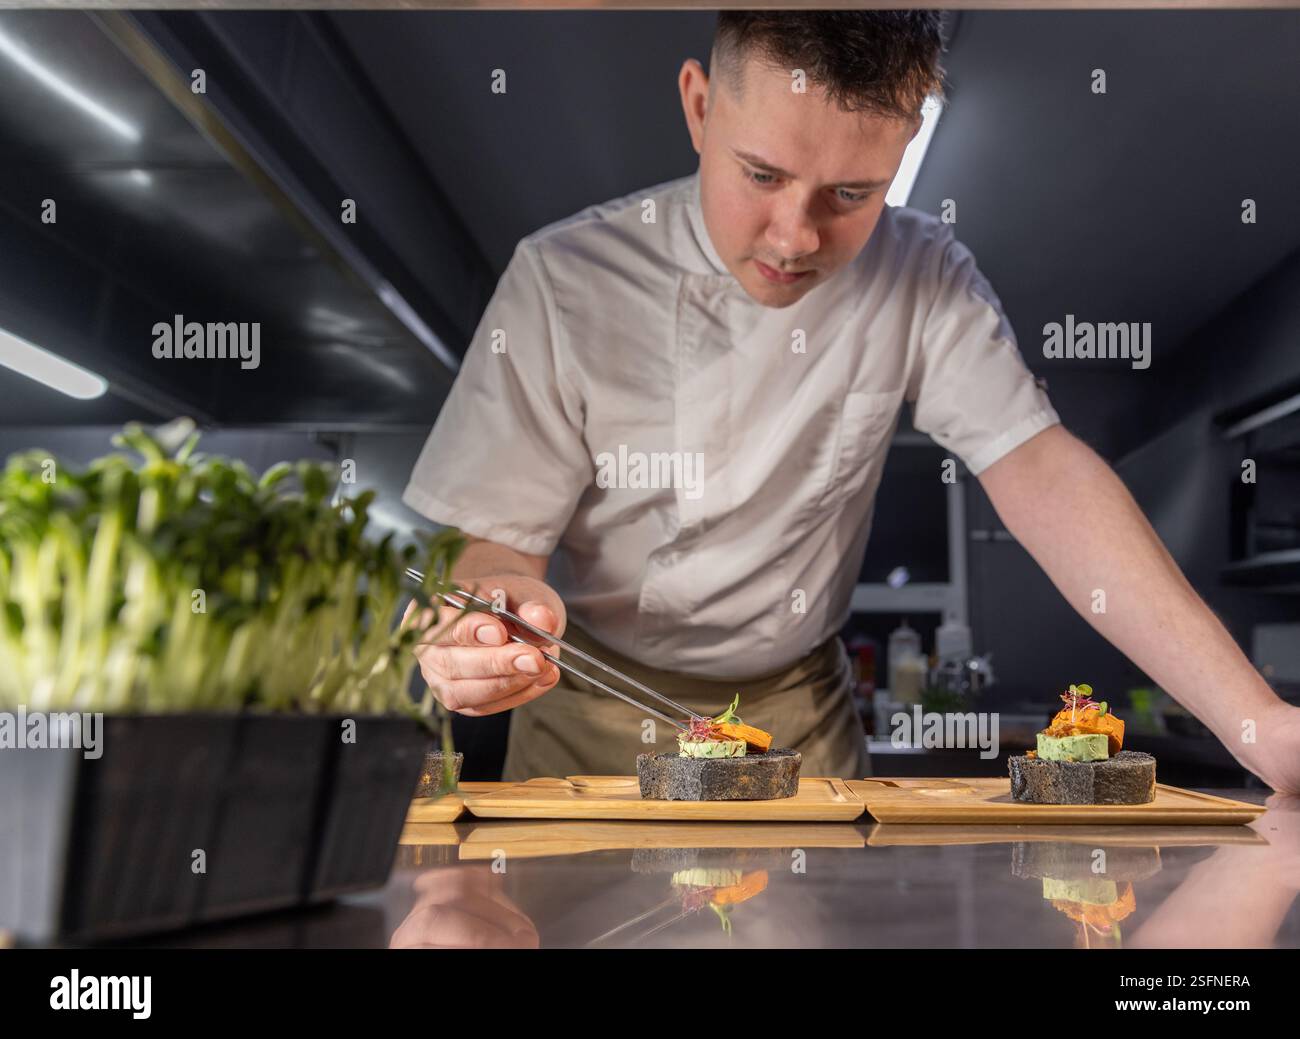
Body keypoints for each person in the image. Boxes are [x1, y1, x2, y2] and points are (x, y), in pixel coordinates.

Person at [402, 11, 1300, 791]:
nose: (795, 237)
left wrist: (1257, 722)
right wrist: (486, 619)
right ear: (700, 106)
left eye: (851, 193)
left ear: (906, 148)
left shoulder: (923, 274)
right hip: (589, 720)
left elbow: (1039, 469)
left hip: (800, 728)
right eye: (761, 175)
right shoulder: (561, 279)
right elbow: (494, 546)